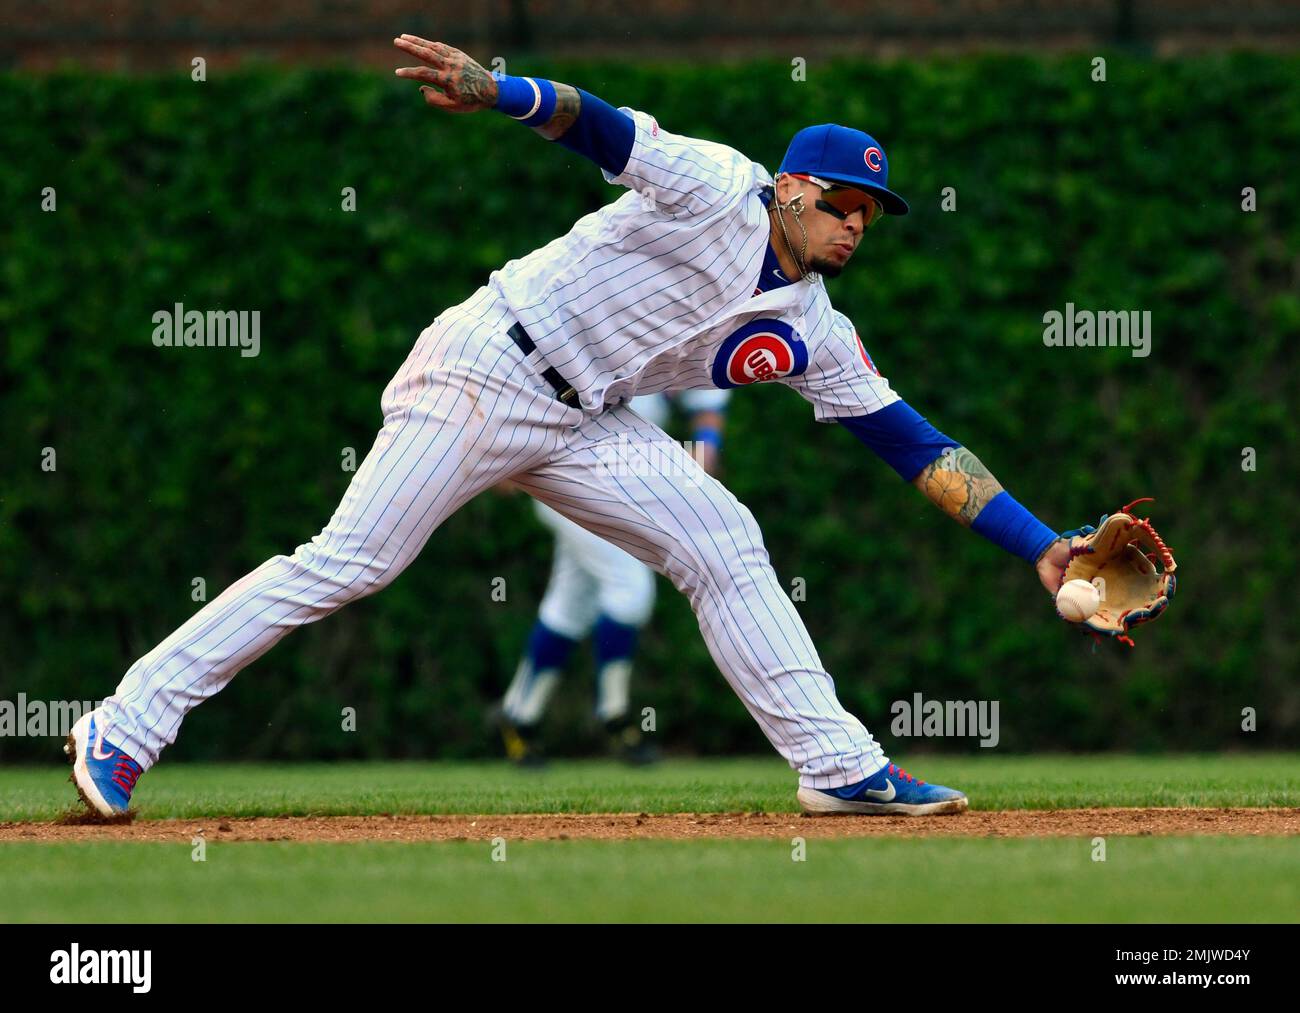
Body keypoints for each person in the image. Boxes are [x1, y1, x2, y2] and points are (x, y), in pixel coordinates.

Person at [66, 36, 1080, 819]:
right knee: (350, 561)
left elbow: (916, 443)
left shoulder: (814, 329)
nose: (857, 224)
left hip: (586, 416)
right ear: (792, 188)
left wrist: (1042, 547)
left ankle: (839, 768)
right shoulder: (717, 183)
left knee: (723, 538)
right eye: (845, 204)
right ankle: (124, 723)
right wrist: (497, 91)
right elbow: (600, 126)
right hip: (487, 361)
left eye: (872, 212)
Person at [496, 391, 729, 766]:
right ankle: (614, 715)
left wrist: (697, 460)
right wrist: (506, 450)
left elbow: (707, 415)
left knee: (569, 606)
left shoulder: (697, 337)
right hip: (569, 477)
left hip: (622, 485)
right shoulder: (606, 333)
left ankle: (519, 716)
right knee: (630, 588)